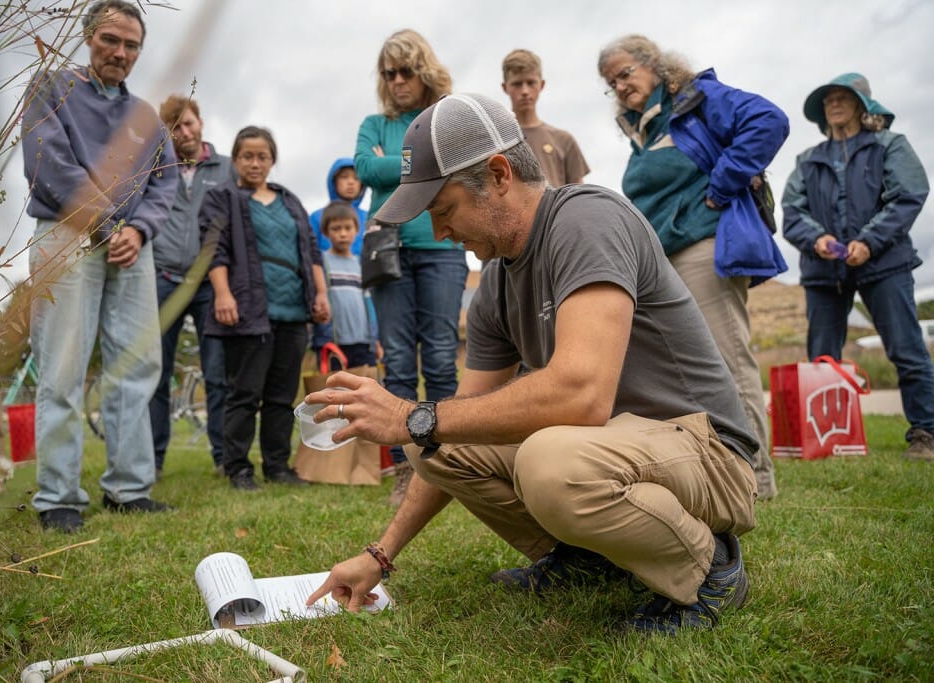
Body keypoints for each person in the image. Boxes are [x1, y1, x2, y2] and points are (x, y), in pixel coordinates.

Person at [304, 93, 758, 634]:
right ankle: (588, 558)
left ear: (499, 175)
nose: (441, 233)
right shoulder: (497, 280)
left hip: (706, 453)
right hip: (616, 451)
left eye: (444, 210)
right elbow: (457, 421)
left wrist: (411, 415)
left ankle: (708, 569)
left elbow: (582, 396)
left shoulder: (586, 219)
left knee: (549, 462)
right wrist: (380, 554)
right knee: (434, 443)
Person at [597, 34, 787, 500]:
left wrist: (721, 187)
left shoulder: (695, 99)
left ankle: (756, 477)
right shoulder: (642, 130)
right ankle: (707, 468)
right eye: (610, 82)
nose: (619, 86)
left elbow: (768, 120)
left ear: (654, 65)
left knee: (726, 359)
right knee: (680, 371)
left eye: (625, 73)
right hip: (662, 260)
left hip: (703, 248)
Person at [22, 0, 176, 533]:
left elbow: (164, 184)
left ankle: (129, 489)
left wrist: (139, 230)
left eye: (132, 45)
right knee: (63, 365)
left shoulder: (147, 118)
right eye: (110, 39)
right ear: (89, 37)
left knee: (137, 364)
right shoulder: (51, 88)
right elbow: (47, 159)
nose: (120, 52)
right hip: (68, 235)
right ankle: (58, 496)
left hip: (133, 245)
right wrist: (108, 223)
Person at [782, 73, 934, 460]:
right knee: (822, 358)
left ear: (862, 105)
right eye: (828, 100)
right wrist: (817, 239)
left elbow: (909, 194)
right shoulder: (807, 160)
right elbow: (792, 213)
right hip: (823, 271)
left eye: (842, 98)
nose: (834, 104)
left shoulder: (890, 146)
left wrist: (869, 241)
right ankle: (825, 439)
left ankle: (926, 433)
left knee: (906, 349)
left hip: (885, 263)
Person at [354, 28, 467, 507]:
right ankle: (407, 470)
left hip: (443, 247)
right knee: (398, 360)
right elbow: (364, 169)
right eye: (388, 73)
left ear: (424, 72)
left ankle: (449, 467)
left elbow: (454, 164)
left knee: (440, 356)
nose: (396, 81)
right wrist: (419, 163)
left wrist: (394, 166)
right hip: (388, 248)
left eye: (405, 71)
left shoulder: (446, 116)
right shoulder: (373, 123)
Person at [200, 126, 330, 491]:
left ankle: (277, 465)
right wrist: (223, 294)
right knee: (244, 393)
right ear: (235, 159)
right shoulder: (222, 198)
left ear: (272, 160)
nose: (255, 163)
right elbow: (213, 250)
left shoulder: (290, 201)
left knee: (281, 396)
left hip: (294, 313)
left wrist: (321, 294)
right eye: (247, 156)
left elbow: (311, 251)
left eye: (262, 157)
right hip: (248, 311)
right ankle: (238, 469)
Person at [150, 95, 231, 479]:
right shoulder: (153, 170)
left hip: (209, 283)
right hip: (162, 278)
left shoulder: (227, 168)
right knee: (156, 372)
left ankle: (224, 457)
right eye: (175, 128)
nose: (184, 132)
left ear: (201, 122)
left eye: (189, 123)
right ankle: (152, 460)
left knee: (217, 372)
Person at [307, 159, 369, 368]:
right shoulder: (317, 217)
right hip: (332, 305)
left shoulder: (369, 217)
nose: (351, 182)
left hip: (360, 301)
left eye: (356, 178)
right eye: (344, 177)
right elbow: (311, 258)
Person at [501, 49, 589, 187]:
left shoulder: (564, 140)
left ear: (541, 85)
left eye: (531, 83)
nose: (525, 91)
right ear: (505, 87)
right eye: (517, 84)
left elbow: (578, 194)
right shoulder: (498, 140)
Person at [319, 202, 378, 368]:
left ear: (356, 230)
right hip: (334, 344)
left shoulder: (361, 264)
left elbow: (370, 304)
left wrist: (376, 339)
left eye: (347, 228)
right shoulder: (322, 263)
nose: (343, 234)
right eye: (336, 229)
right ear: (326, 232)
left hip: (365, 342)